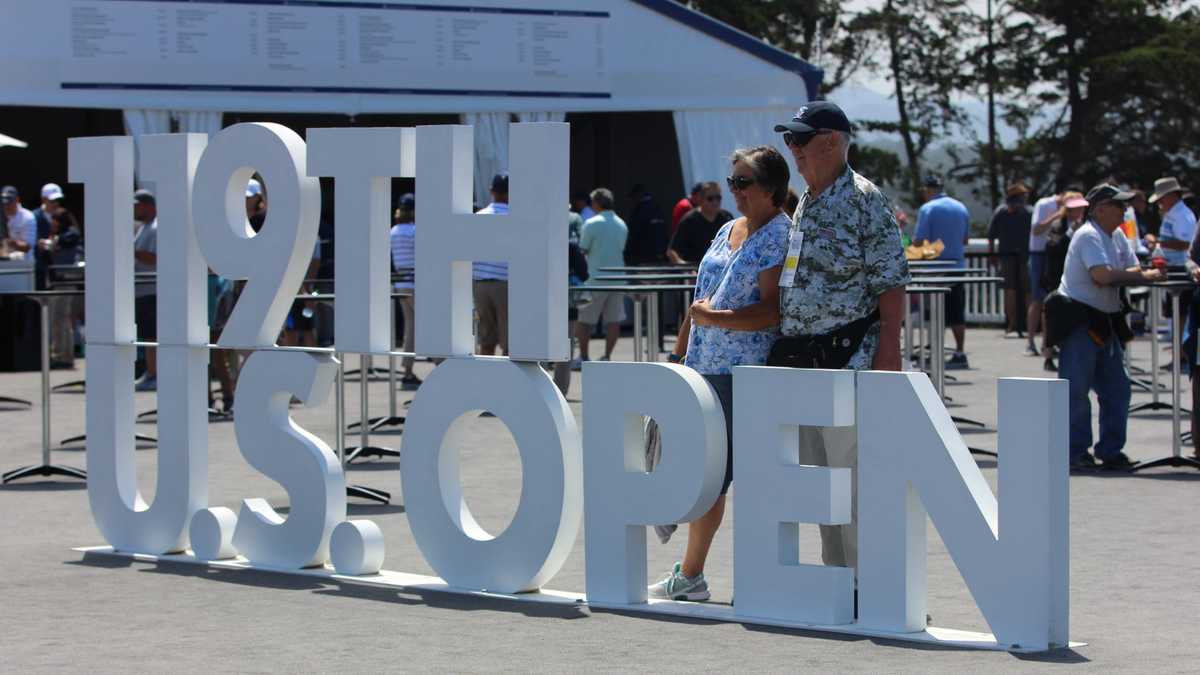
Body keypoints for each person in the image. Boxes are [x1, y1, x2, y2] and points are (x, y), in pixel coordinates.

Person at [648, 146, 791, 601]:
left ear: (772, 189)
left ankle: (692, 574)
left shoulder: (778, 236)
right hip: (701, 367)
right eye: (731, 182)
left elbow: (771, 312)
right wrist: (678, 355)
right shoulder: (729, 228)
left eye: (743, 182)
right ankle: (691, 574)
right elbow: (701, 295)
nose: (734, 191)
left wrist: (714, 320)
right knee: (700, 470)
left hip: (739, 373)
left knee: (714, 474)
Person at [774, 101, 910, 574]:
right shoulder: (809, 199)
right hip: (805, 364)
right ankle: (838, 580)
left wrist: (888, 352)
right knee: (820, 482)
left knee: (853, 480)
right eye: (789, 140)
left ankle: (873, 582)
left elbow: (890, 283)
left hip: (849, 361)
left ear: (831, 141)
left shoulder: (863, 198)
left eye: (800, 140)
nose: (792, 150)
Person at [1047, 184, 1162, 471]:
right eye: (1118, 205)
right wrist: (1141, 276)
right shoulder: (1088, 236)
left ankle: (1110, 450)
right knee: (1077, 390)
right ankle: (1076, 451)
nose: (1125, 210)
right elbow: (1101, 276)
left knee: (1117, 389)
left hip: (1103, 320)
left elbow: (1129, 270)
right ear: (1099, 210)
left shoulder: (1116, 235)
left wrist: (1129, 274)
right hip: (1081, 320)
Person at [913, 173, 970, 368]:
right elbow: (965, 240)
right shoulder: (960, 207)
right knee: (957, 311)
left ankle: (935, 350)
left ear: (928, 190)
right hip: (958, 266)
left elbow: (919, 241)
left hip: (934, 267)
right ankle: (960, 351)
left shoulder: (927, 209)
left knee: (935, 311)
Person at [573, 188, 627, 366]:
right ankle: (607, 356)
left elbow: (583, 249)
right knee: (613, 321)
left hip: (594, 279)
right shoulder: (622, 224)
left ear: (596, 203)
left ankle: (584, 356)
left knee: (584, 320)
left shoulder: (591, 223)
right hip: (618, 279)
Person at [1039, 192, 1089, 371]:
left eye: (1081, 208)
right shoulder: (1057, 226)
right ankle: (1048, 353)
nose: (1079, 212)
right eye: (1075, 208)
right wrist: (1069, 233)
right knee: (1052, 314)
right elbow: (1053, 248)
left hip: (1080, 277)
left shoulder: (1088, 227)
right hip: (1057, 276)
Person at [988, 183, 1033, 335]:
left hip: (1006, 255)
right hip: (1026, 256)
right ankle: (1029, 325)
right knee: (1028, 291)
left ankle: (1011, 324)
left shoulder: (1001, 211)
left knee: (1009, 290)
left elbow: (991, 235)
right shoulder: (1029, 212)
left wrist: (992, 254)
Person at [473, 174, 510, 355]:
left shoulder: (478, 216)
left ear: (491, 191)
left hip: (480, 283)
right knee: (510, 341)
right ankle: (508, 381)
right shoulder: (516, 217)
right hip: (506, 282)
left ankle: (485, 380)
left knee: (486, 339)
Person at [390, 193, 420, 389]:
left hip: (401, 283)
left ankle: (407, 370)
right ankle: (440, 362)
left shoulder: (393, 231)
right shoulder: (417, 231)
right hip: (416, 283)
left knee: (411, 327)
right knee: (427, 326)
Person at [1028, 190, 1064, 357]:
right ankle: (1030, 342)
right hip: (1039, 254)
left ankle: (1048, 343)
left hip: (1056, 255)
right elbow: (1036, 230)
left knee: (1052, 301)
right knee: (1037, 299)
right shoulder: (1043, 204)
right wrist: (1057, 215)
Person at [666, 181, 731, 265]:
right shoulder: (689, 220)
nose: (715, 202)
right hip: (696, 272)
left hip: (723, 270)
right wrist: (686, 268)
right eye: (710, 198)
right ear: (701, 200)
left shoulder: (727, 218)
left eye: (718, 198)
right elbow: (672, 251)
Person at [133, 189, 159, 391]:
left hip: (152, 288)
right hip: (142, 289)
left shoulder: (156, 227)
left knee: (152, 335)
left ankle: (154, 373)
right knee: (147, 334)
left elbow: (157, 258)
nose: (135, 208)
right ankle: (151, 372)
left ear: (149, 205)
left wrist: (133, 252)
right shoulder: (143, 227)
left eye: (138, 204)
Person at [624, 184, 667, 265]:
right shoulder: (657, 208)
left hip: (642, 255)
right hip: (659, 253)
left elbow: (634, 233)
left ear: (637, 195)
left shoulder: (639, 211)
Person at [1, 185, 37, 255]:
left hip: (24, 263)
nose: (6, 205)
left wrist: (11, 243)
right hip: (3, 262)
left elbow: (28, 246)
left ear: (17, 199)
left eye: (9, 202)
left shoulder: (28, 217)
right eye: (4, 202)